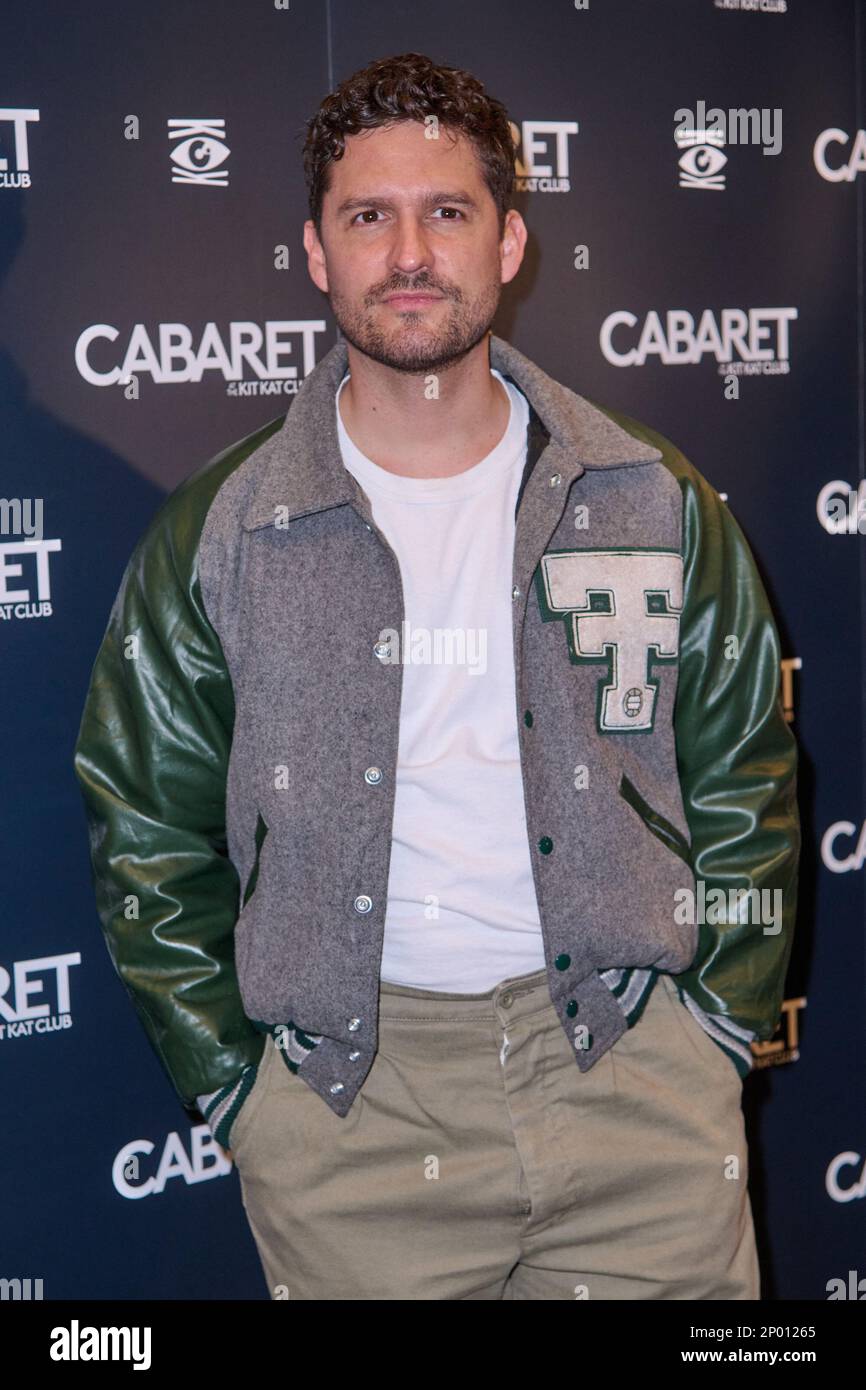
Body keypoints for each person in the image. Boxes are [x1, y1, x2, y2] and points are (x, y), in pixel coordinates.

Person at [73, 52, 800, 1301]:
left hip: (637, 1092)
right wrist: (244, 1093)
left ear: (510, 241)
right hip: (352, 1117)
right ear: (315, 252)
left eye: (446, 211)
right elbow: (144, 820)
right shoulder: (223, 534)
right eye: (369, 216)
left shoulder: (648, 496)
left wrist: (717, 1030)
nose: (409, 251)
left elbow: (743, 771)